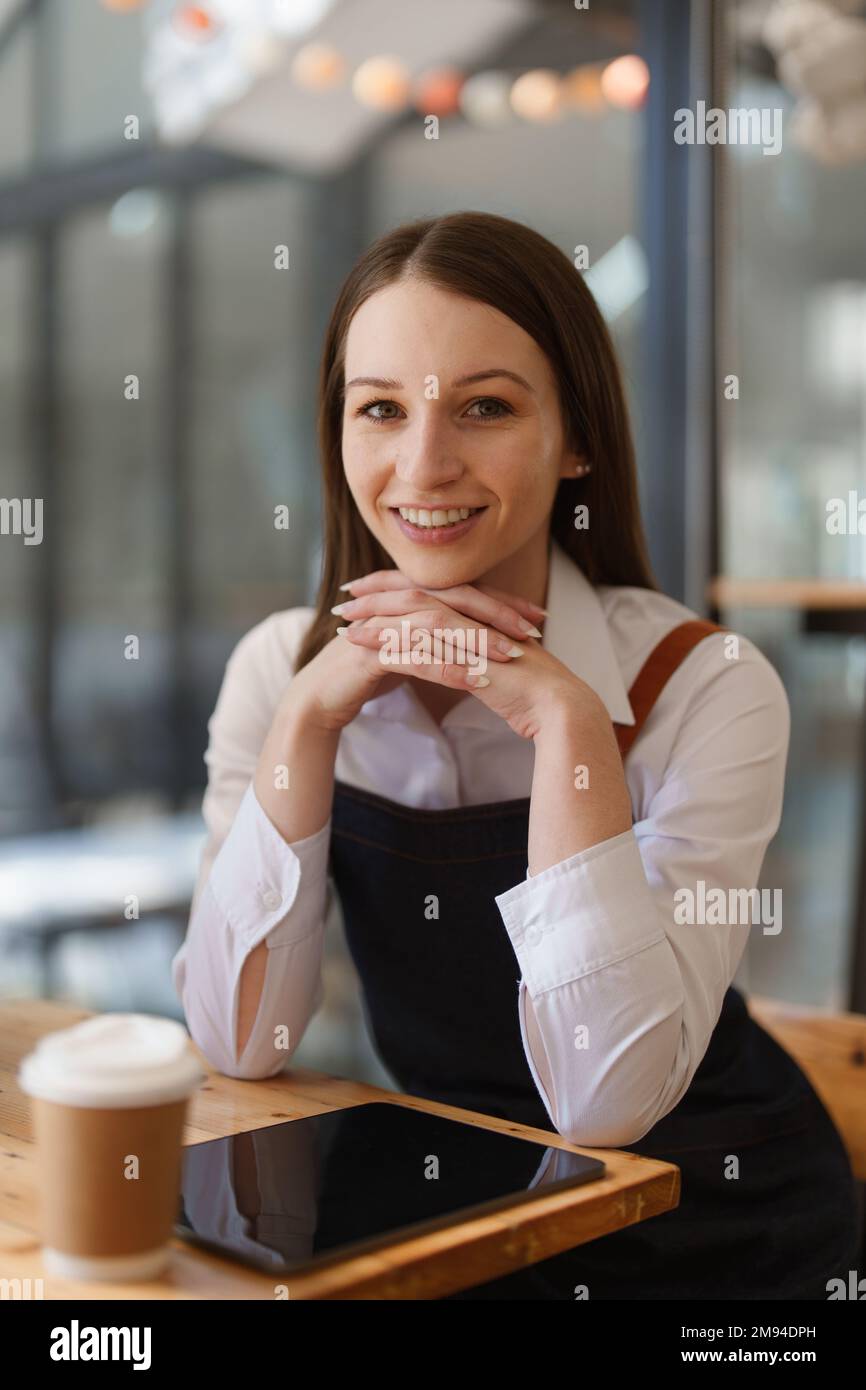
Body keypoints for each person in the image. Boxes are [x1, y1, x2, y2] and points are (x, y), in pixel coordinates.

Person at [172, 211, 859, 1300]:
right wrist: (305, 724)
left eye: (483, 406)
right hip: (472, 1214)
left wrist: (568, 725)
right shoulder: (280, 677)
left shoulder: (705, 685)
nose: (423, 463)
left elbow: (602, 1104)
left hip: (730, 1240)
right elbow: (240, 1039)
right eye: (380, 409)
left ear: (575, 436)